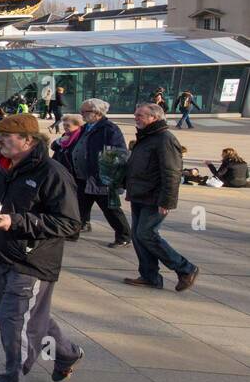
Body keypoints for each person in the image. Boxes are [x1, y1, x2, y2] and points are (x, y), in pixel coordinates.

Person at [0, 114, 83, 382]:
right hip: (0, 256)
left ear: (28, 140)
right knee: (21, 317)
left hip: (33, 261)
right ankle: (66, 352)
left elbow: (71, 223)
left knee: (15, 325)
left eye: (7, 136)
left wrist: (16, 221)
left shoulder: (52, 173)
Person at [124, 102, 198, 291]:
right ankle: (150, 276)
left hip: (154, 197)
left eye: (140, 115)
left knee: (146, 234)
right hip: (140, 194)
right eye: (136, 114)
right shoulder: (147, 136)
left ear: (154, 117)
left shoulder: (164, 138)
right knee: (139, 236)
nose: (136, 117)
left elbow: (172, 172)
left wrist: (167, 201)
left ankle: (185, 268)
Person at [71, 99, 132, 246]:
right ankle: (73, 232)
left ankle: (124, 236)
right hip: (83, 176)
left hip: (101, 178)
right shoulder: (86, 127)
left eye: (84, 111)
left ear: (97, 113)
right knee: (78, 206)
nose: (81, 114)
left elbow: (119, 152)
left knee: (111, 209)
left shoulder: (109, 129)